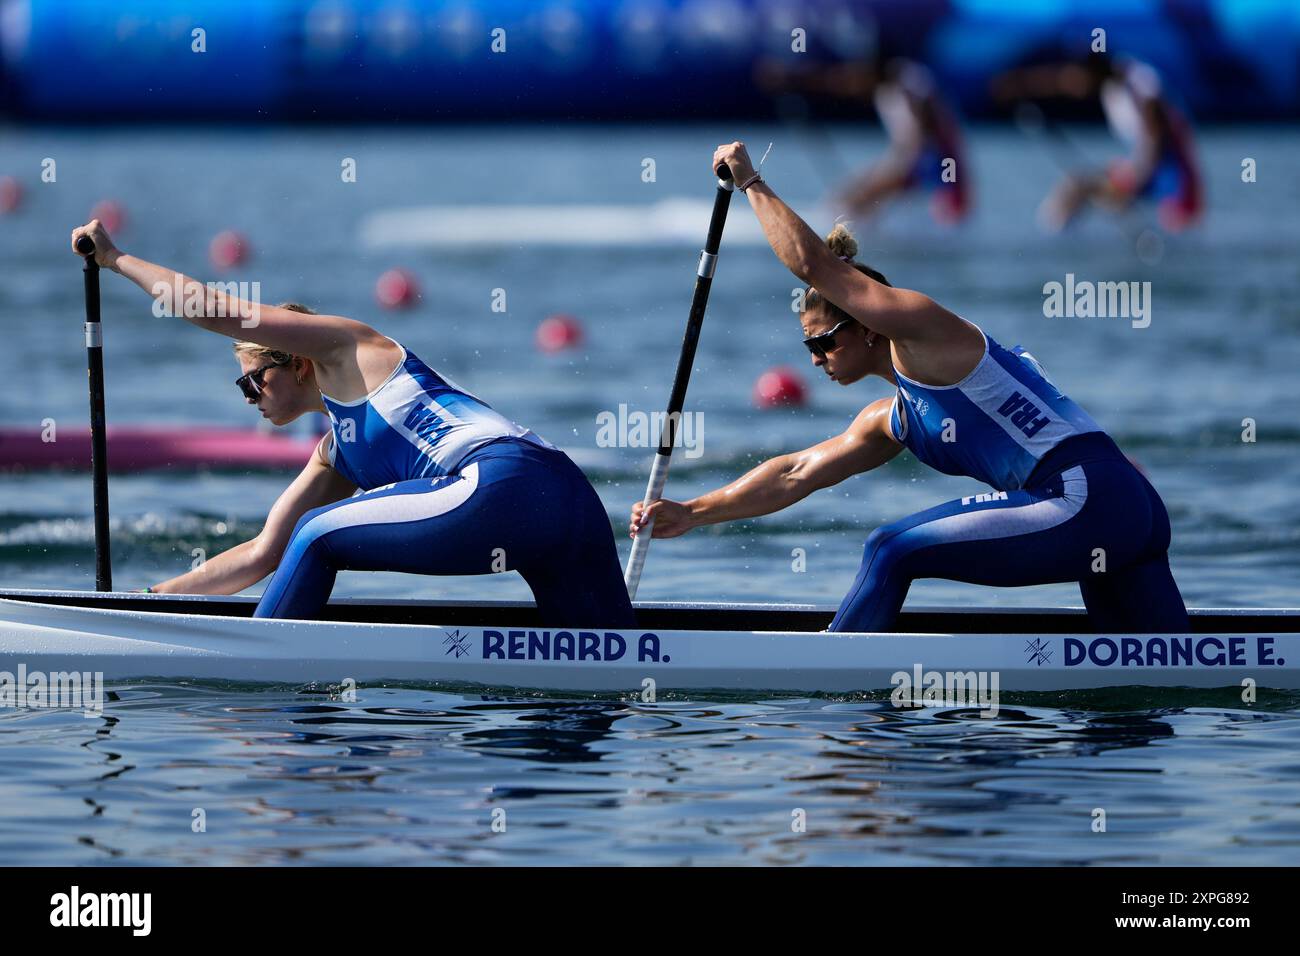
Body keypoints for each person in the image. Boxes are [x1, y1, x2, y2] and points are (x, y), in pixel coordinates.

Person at [629, 143, 1189, 634]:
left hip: (1082, 497)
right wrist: (691, 512)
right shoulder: (892, 418)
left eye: (822, 341)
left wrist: (750, 181)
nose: (817, 359)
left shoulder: (923, 331)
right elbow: (795, 474)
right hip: (1128, 509)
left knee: (889, 549)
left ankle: (832, 682)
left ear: (866, 323)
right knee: (1152, 689)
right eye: (809, 350)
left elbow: (813, 266)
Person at [70, 219, 635, 627]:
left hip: (499, 482)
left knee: (318, 534)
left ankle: (264, 676)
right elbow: (263, 553)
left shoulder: (347, 347)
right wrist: (149, 599)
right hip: (569, 499)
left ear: (293, 360)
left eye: (251, 380)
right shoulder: (338, 453)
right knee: (605, 667)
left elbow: (215, 308)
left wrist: (116, 258)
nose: (248, 398)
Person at [992, 52, 1202, 232]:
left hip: (1170, 175)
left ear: (1093, 73)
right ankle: (1060, 242)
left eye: (1078, 79)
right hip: (1148, 168)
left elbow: (1156, 139)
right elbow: (1057, 81)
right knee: (1076, 188)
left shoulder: (1140, 88)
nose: (1073, 86)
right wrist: (1018, 85)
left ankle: (1053, 246)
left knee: (1078, 187)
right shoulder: (1107, 77)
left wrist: (1134, 180)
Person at [756, 55, 970, 224]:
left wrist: (885, 183)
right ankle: (856, 218)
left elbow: (921, 143)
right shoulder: (889, 81)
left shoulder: (908, 90)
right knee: (847, 198)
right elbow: (835, 80)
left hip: (934, 164)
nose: (855, 84)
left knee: (854, 200)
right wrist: (792, 79)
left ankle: (847, 224)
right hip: (917, 160)